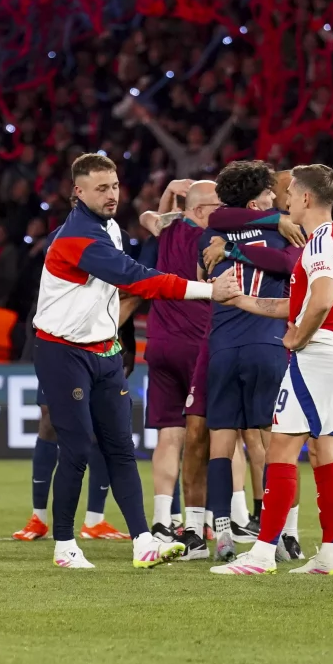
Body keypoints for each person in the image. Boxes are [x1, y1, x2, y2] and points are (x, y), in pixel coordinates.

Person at [31, 153, 232, 570]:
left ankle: (143, 541)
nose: (111, 194)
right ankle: (65, 546)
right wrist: (207, 291)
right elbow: (137, 279)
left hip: (104, 351)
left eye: (115, 186)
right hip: (63, 352)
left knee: (121, 448)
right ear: (78, 192)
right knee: (77, 448)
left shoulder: (110, 230)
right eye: (101, 188)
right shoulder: (76, 239)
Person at [211, 165, 333, 576]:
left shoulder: (320, 245)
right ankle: (330, 554)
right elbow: (290, 307)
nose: (285, 200)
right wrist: (240, 300)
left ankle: (260, 556)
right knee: (323, 452)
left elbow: (323, 300)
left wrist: (298, 338)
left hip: (318, 355)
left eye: (290, 193)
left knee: (281, 450)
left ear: (307, 199)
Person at [200, 160, 293, 562]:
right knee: (275, 447)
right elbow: (291, 266)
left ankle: (221, 533)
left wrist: (233, 247)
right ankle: (282, 536)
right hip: (267, 344)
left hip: (222, 347)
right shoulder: (284, 230)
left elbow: (221, 214)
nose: (276, 197)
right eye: (269, 193)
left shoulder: (215, 233)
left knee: (220, 443)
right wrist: (274, 218)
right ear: (257, 200)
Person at [136, 178, 220, 559]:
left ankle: (159, 521)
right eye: (217, 206)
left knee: (168, 436)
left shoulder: (168, 227)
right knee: (202, 436)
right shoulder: (213, 239)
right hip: (197, 344)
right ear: (201, 210)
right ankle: (201, 524)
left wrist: (171, 188)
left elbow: (148, 215)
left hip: (159, 344)